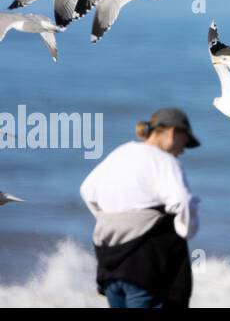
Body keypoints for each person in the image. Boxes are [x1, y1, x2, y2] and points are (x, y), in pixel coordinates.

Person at [79, 107, 201, 308]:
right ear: (172, 133)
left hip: (110, 269)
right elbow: (182, 201)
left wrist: (110, 221)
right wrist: (185, 228)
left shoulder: (121, 153)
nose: (183, 150)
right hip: (146, 270)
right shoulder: (166, 161)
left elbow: (86, 190)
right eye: (184, 142)